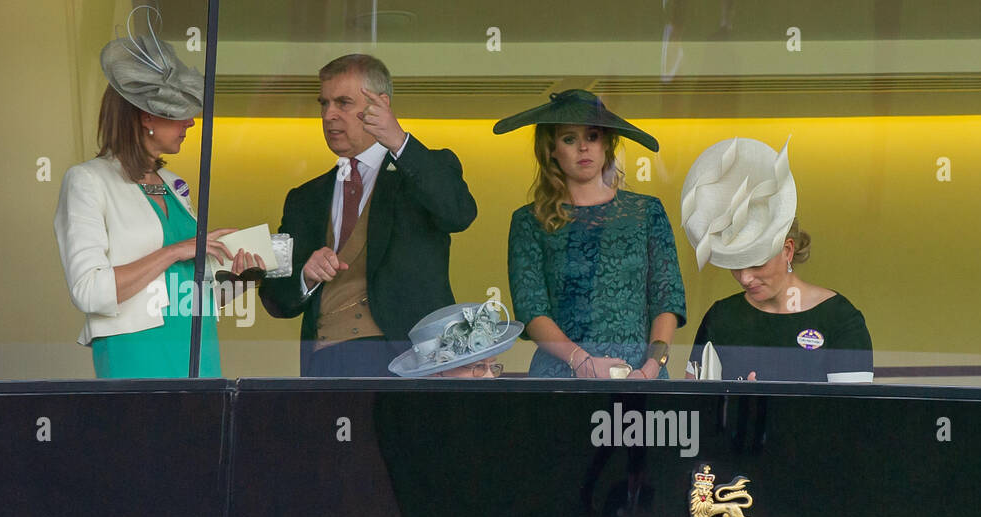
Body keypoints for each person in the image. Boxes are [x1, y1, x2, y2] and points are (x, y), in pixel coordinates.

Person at [54, 5, 260, 378]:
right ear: (146, 115)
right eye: (180, 111)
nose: (191, 122)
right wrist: (176, 250)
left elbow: (199, 297)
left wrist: (243, 279)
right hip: (136, 348)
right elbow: (89, 290)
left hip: (198, 345)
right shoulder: (87, 181)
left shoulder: (174, 186)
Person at [259, 54, 478, 377]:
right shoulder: (302, 199)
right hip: (326, 361)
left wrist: (400, 143)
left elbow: (460, 214)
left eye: (343, 103)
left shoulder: (425, 168)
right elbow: (274, 295)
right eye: (324, 104)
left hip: (412, 360)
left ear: (381, 105)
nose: (329, 115)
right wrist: (305, 275)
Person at [495, 90, 686, 379]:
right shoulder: (529, 221)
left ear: (607, 144)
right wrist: (581, 361)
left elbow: (667, 300)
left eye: (593, 136)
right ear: (552, 149)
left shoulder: (646, 212)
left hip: (639, 377)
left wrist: (649, 370)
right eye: (569, 139)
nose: (583, 148)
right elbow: (531, 311)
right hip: (560, 375)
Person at [679, 138, 872, 383]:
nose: (745, 278)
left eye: (756, 263)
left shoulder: (840, 319)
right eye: (736, 266)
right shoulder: (721, 318)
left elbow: (853, 414)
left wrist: (768, 408)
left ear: (788, 250)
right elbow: (693, 400)